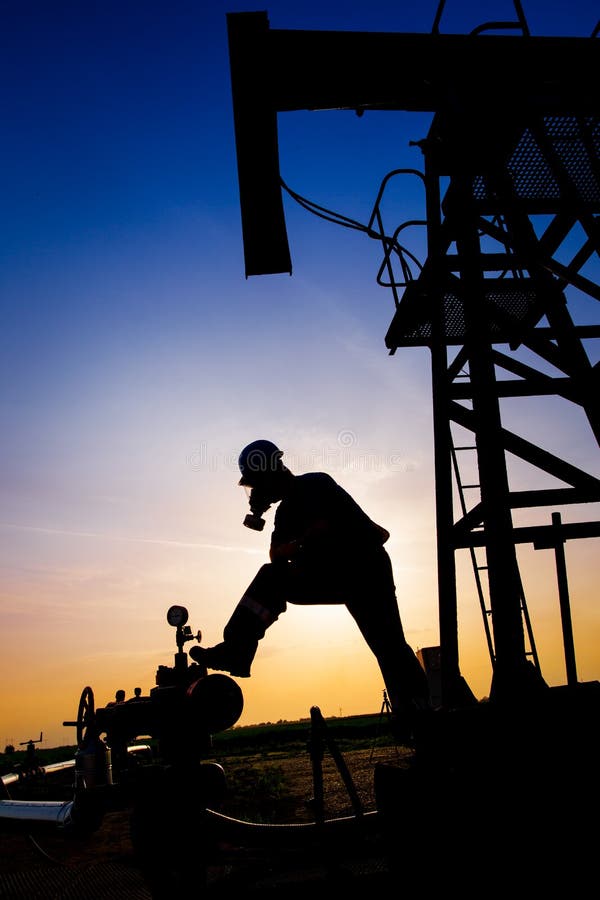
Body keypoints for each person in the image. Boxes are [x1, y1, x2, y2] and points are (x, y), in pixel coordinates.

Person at [190, 439, 430, 738]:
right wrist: (298, 540)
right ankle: (236, 649)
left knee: (389, 646)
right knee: (271, 577)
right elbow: (276, 554)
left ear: (272, 472)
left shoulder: (316, 485)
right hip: (333, 575)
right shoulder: (284, 513)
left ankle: (421, 715)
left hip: (365, 571)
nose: (255, 493)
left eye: (257, 485)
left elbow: (353, 532)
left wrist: (306, 540)